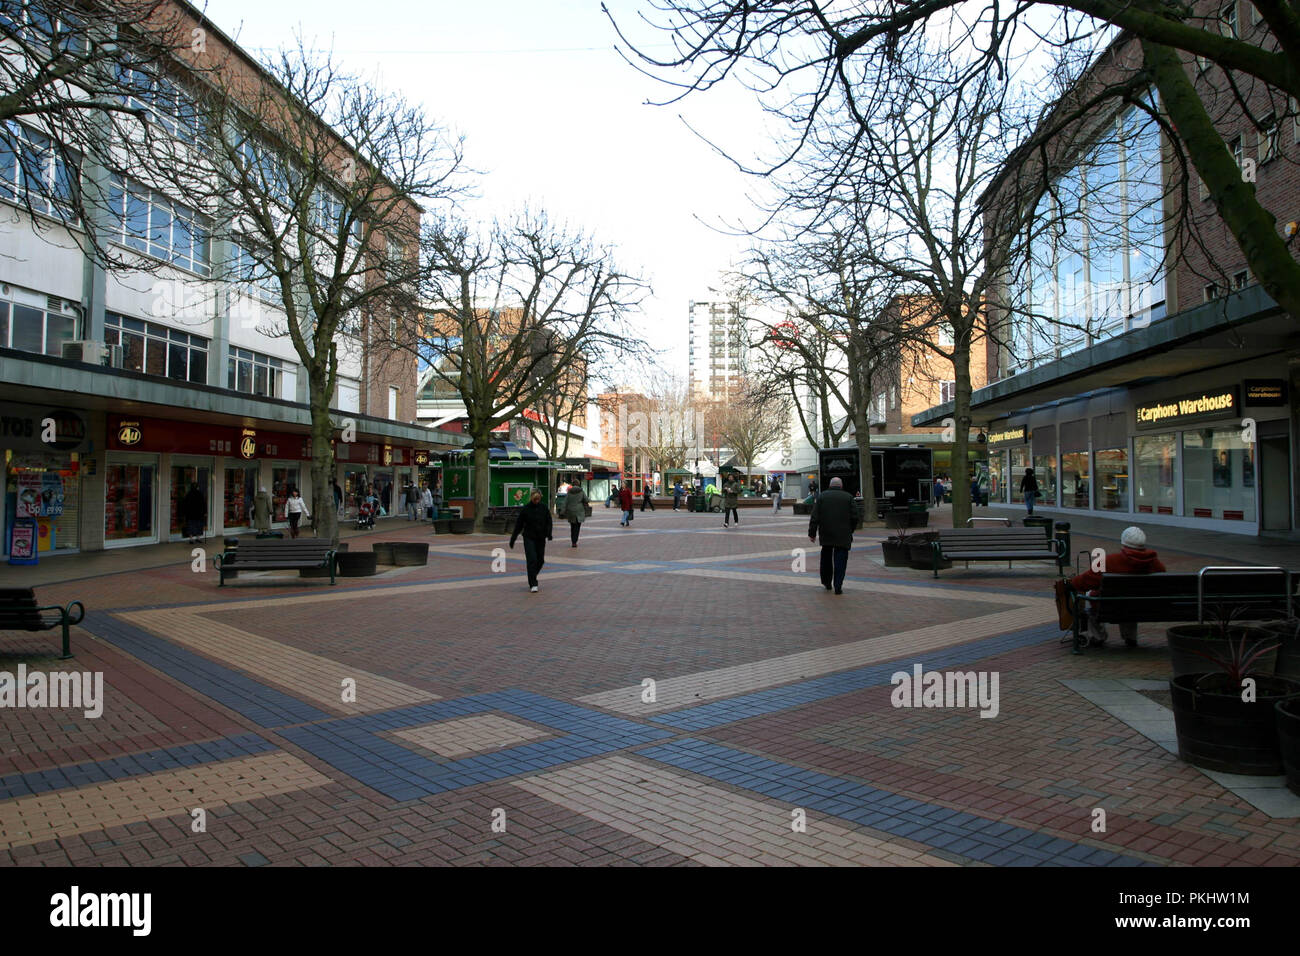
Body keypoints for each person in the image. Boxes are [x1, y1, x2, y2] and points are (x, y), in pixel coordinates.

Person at [1070, 526, 1167, 647]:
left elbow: (1083, 582)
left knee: (1093, 596)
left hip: (1109, 606)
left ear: (1123, 543)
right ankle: (1130, 636)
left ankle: (1097, 636)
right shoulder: (1155, 563)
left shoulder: (1110, 561)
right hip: (1142, 607)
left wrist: (1072, 581)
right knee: (1132, 600)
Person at [808, 476, 859, 594]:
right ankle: (838, 585)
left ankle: (826, 582)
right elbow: (855, 516)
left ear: (830, 485)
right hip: (843, 534)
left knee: (826, 558)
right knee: (841, 560)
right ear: (841, 486)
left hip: (826, 533)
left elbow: (814, 517)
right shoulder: (848, 497)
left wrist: (812, 533)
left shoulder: (822, 497)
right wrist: (850, 529)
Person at [510, 489, 553, 592]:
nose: (536, 501)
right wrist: (513, 539)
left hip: (541, 537)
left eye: (538, 499)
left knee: (540, 560)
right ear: (531, 498)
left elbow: (549, 522)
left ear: (540, 498)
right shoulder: (526, 509)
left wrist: (549, 533)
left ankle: (533, 574)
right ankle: (533, 583)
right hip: (529, 537)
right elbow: (519, 525)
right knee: (532, 559)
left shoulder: (544, 508)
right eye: (534, 499)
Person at [563, 482, 589, 547]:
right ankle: (575, 541)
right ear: (578, 484)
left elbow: (565, 502)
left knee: (572, 527)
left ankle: (573, 541)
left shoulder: (569, 492)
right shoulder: (581, 491)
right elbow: (586, 500)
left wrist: (562, 511)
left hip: (571, 511)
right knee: (577, 527)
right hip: (579, 511)